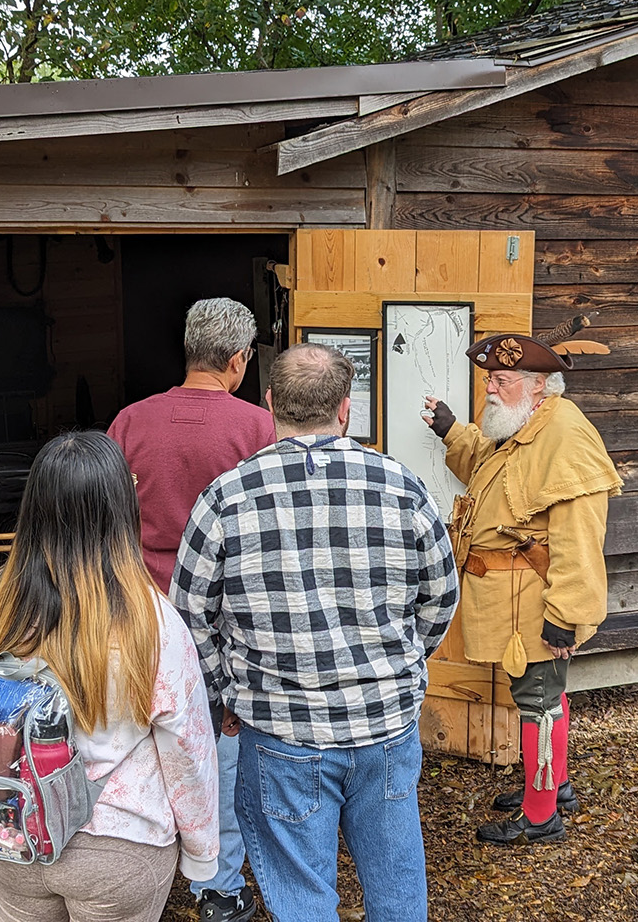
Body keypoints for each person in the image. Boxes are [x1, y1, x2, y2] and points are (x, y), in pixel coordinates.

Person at [172, 343, 458, 922]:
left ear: (270, 402)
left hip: (279, 731)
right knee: (398, 891)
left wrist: (224, 692)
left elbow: (188, 616)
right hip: (384, 725)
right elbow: (441, 596)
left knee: (303, 902)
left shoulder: (225, 498)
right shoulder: (403, 487)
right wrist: (401, 662)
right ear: (345, 410)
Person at [0, 431, 219, 922]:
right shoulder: (152, 618)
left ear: (33, 503)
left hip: (12, 832)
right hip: (119, 843)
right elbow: (186, 745)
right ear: (122, 506)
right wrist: (203, 849)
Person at [108, 297, 274, 922]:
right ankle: (218, 886)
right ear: (237, 360)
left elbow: (109, 517)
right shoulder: (256, 427)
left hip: (140, 608)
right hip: (227, 617)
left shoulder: (128, 422)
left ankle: (145, 857)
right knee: (220, 750)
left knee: (145, 738)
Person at [421, 329, 620, 844]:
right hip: (510, 600)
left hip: (532, 599)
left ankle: (540, 815)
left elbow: (580, 537)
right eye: (490, 378)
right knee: (539, 694)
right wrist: (452, 432)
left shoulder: (565, 436)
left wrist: (566, 614)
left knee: (539, 701)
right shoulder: (530, 425)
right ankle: (556, 785)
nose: (490, 389)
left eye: (501, 380)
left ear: (538, 385)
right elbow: (495, 479)